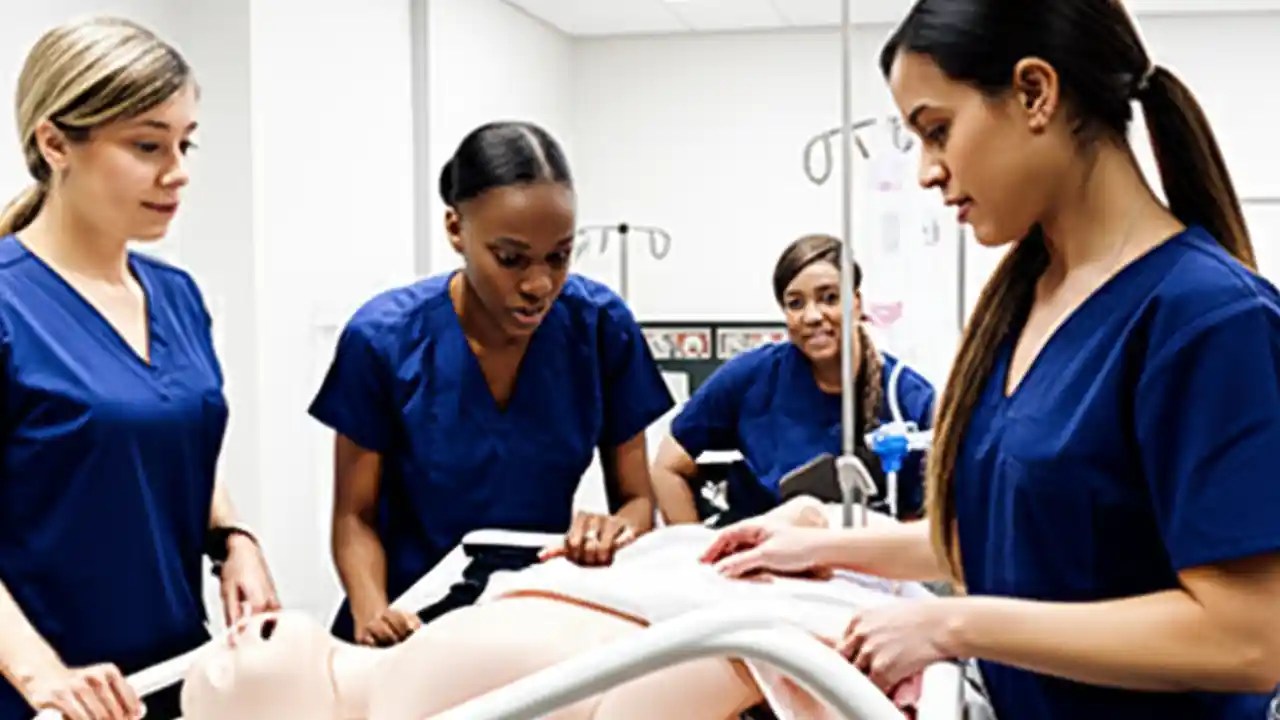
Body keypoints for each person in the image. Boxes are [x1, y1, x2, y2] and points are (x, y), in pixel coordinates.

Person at [704, 1, 1280, 718]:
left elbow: (1245, 637)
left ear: (1035, 93)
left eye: (936, 131)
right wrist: (825, 545)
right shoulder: (1027, 302)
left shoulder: (1206, 318)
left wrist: (951, 625)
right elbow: (1015, 539)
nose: (925, 172)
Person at [0, 17, 279, 720]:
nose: (178, 171)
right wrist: (43, 677)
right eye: (147, 145)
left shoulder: (177, 296)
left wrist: (234, 539)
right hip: (50, 697)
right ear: (55, 142)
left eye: (185, 143)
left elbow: (168, 437)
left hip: (174, 672)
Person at [309, 121, 675, 647]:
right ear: (456, 229)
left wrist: (614, 533)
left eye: (560, 256)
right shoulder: (385, 339)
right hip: (406, 623)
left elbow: (638, 501)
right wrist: (374, 613)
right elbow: (355, 516)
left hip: (534, 617)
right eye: (511, 259)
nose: (538, 285)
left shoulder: (599, 327)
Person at [177, 497, 930, 720]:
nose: (230, 632)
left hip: (659, 612)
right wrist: (733, 657)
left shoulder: (395, 668)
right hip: (688, 651)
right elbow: (613, 714)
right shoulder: (401, 708)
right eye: (218, 670)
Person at [651, 234, 936, 525]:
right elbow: (667, 467)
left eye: (830, 298)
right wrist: (695, 555)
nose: (812, 316)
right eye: (795, 304)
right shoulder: (751, 377)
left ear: (858, 303)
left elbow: (931, 521)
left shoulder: (907, 398)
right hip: (760, 558)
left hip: (866, 561)